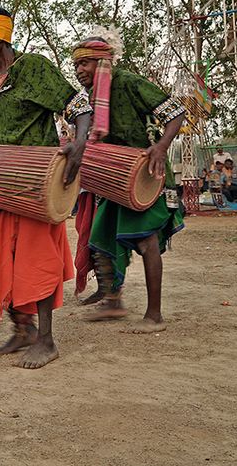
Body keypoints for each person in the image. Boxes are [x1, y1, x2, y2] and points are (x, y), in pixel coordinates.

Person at [0, 0, 91, 369]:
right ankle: (23, 330)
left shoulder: (32, 68)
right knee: (4, 256)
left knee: (37, 261)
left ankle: (47, 340)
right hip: (7, 185)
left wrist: (79, 146)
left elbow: (78, 106)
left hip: (36, 181)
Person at [73, 36, 185, 332]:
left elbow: (175, 112)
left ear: (103, 62)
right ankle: (113, 301)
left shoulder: (129, 82)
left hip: (147, 173)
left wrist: (160, 147)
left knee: (145, 239)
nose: (78, 70)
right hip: (117, 178)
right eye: (75, 64)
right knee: (100, 236)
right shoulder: (94, 95)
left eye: (84, 62)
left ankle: (154, 316)